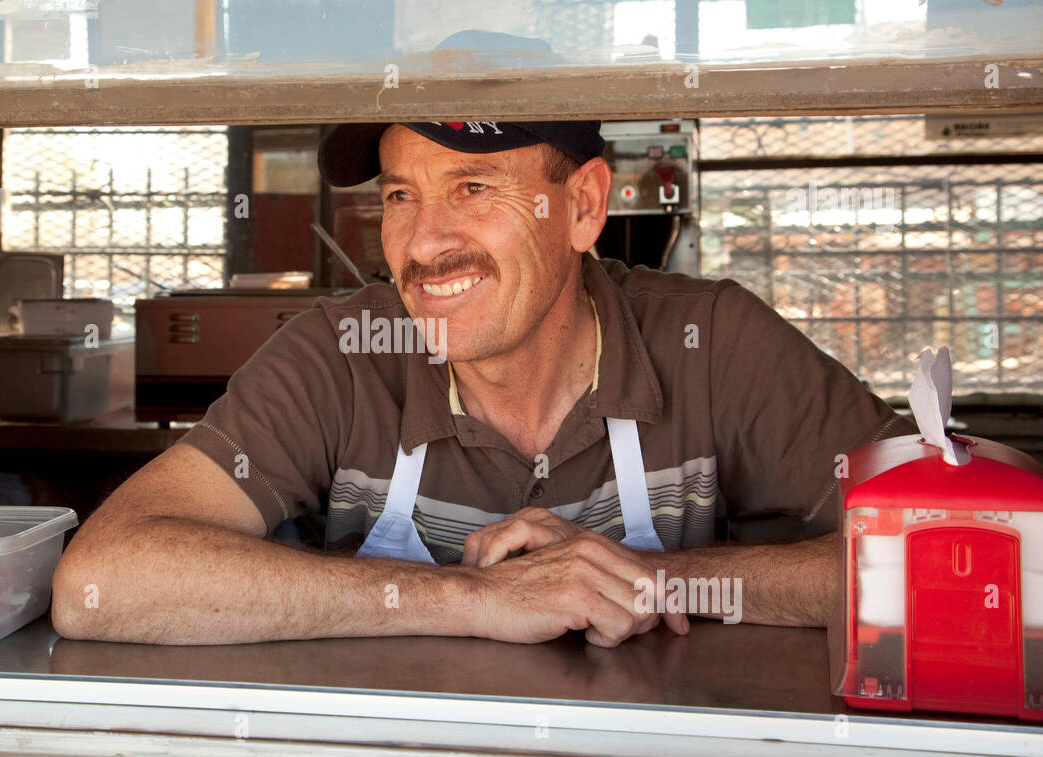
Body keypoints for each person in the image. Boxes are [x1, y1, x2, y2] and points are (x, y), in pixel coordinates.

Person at [51, 117, 915, 648]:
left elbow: (976, 549)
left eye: (472, 187)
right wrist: (470, 597)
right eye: (399, 196)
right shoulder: (344, 354)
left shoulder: (710, 343)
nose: (425, 244)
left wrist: (664, 581)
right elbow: (103, 580)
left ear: (581, 207)